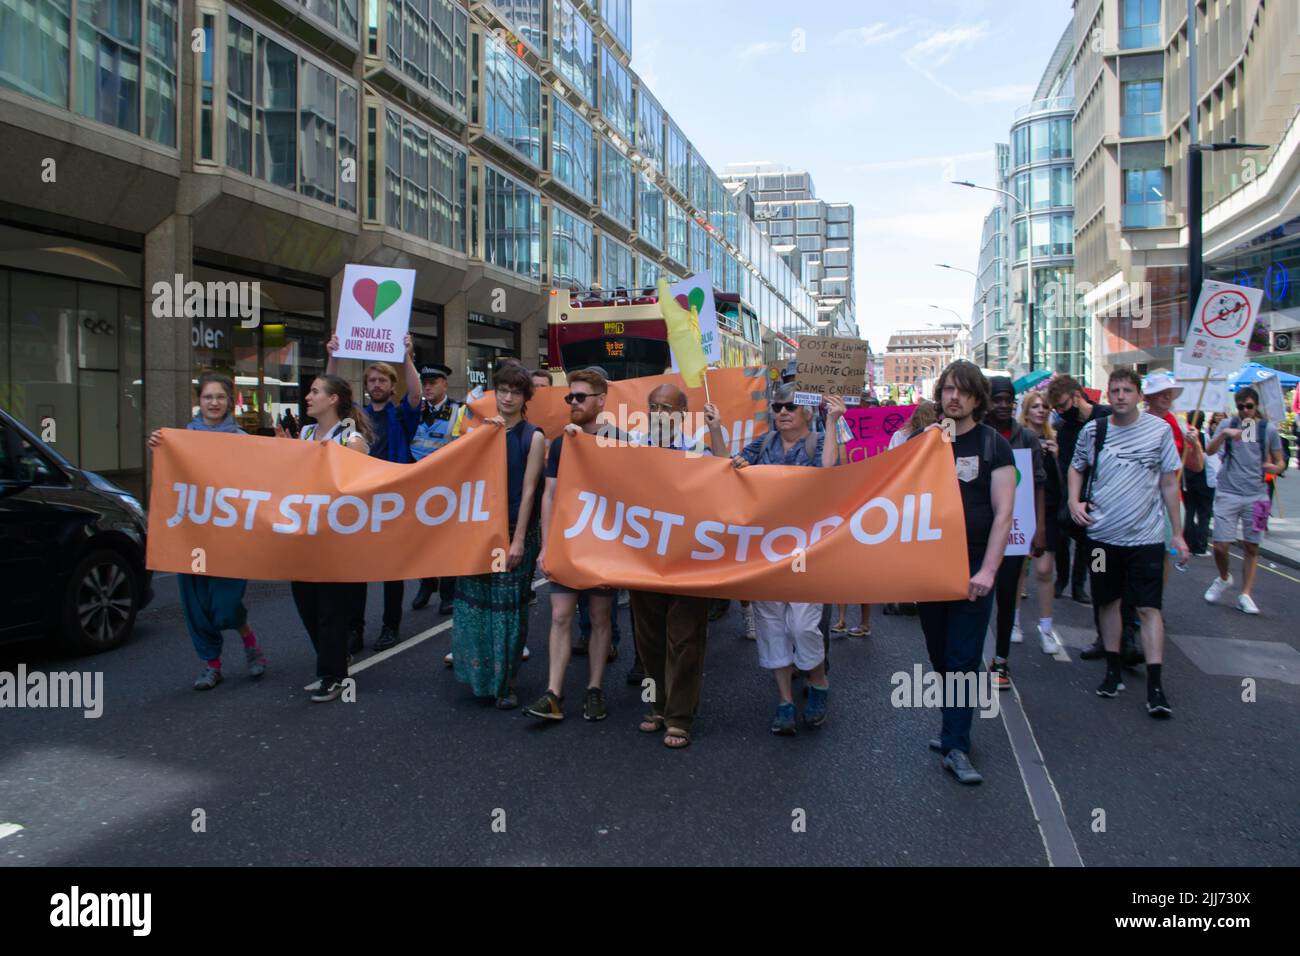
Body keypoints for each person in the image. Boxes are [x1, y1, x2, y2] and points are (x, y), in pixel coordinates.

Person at [914, 361, 1014, 785]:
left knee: (963, 658)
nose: (954, 397)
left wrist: (989, 570)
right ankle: (952, 726)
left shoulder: (994, 446)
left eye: (963, 391)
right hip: (930, 566)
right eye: (948, 390)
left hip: (973, 566)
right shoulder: (926, 443)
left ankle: (957, 744)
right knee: (939, 654)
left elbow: (1004, 514)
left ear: (977, 398)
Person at [1068, 368, 1186, 718]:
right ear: (1108, 394)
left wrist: (1177, 533)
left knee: (1149, 608)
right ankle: (1113, 671)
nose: (1120, 396)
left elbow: (1169, 484)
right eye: (1115, 390)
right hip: (1102, 539)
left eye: (1127, 390)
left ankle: (1155, 686)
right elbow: (1076, 467)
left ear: (1138, 395)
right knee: (1107, 602)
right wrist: (1074, 502)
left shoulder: (1160, 431)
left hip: (1146, 538)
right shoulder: (1095, 431)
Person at [732, 384, 844, 735]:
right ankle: (784, 701)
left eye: (791, 407)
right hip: (766, 550)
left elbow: (830, 474)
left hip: (807, 551)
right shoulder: (764, 444)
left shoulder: (818, 441)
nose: (782, 412)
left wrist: (836, 421)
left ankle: (819, 684)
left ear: (807, 412)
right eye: (778, 407)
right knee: (771, 626)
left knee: (803, 625)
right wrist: (727, 446)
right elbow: (726, 470)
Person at [148, 372, 265, 690]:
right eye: (207, 397)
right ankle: (211, 665)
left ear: (230, 402)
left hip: (229, 538)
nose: (214, 403)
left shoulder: (243, 441)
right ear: (198, 401)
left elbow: (259, 483)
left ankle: (249, 640)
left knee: (225, 607)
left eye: (220, 397)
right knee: (196, 605)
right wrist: (158, 447)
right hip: (191, 537)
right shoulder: (178, 439)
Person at [630, 384, 726, 749]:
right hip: (644, 558)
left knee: (685, 639)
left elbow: (724, 476)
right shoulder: (631, 448)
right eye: (654, 406)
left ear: (683, 414)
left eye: (668, 408)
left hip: (689, 559)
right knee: (649, 638)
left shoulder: (698, 449)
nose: (660, 413)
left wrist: (716, 429)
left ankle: (680, 716)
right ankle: (656, 707)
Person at [526, 369, 623, 722]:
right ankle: (553, 693)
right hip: (568, 542)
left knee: (599, 618)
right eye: (570, 397)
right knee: (560, 615)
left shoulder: (620, 439)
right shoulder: (561, 442)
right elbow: (549, 494)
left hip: (602, 546)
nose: (573, 403)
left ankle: (595, 688)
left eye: (580, 397)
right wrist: (546, 545)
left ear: (601, 400)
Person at [449, 365, 547, 708]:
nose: (507, 398)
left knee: (507, 609)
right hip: (478, 531)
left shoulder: (532, 436)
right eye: (502, 390)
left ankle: (504, 684)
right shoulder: (480, 431)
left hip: (512, 530)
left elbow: (529, 491)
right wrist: (477, 437)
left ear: (525, 397)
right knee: (474, 606)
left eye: (515, 392)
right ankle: (479, 677)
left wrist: (519, 540)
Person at [326, 333, 422, 652]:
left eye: (383, 379)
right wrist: (334, 356)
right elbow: (331, 395)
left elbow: (416, 395)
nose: (377, 384)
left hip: (391, 501)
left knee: (390, 570)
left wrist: (407, 356)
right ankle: (355, 628)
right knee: (357, 570)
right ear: (366, 386)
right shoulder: (354, 414)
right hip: (358, 501)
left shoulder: (401, 415)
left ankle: (390, 627)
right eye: (372, 379)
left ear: (392, 386)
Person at [284, 375, 372, 702]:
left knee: (330, 609)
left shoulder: (352, 439)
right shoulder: (305, 434)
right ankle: (335, 656)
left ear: (333, 399)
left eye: (315, 391)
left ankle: (332, 675)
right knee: (305, 602)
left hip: (336, 539)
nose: (308, 397)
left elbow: (355, 486)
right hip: (305, 535)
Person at [985, 377, 1053, 691]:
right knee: (973, 596)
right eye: (996, 399)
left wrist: (1037, 530)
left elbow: (1039, 484)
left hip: (1014, 530)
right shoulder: (974, 433)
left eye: (1006, 399)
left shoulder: (1027, 438)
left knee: (1007, 591)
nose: (1001, 405)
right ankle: (972, 657)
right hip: (976, 531)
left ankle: (1001, 660)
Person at [1203, 386, 1286, 614]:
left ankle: (1246, 593)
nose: (1245, 411)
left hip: (1258, 496)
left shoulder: (1267, 429)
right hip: (1228, 492)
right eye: (1240, 407)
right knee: (1220, 545)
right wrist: (1223, 435)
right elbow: (1209, 451)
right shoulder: (1226, 425)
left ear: (1256, 406)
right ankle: (1223, 578)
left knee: (1252, 546)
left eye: (1249, 406)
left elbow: (1281, 461)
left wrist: (1275, 467)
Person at [1046, 375, 1109, 604]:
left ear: (1076, 395)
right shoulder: (1065, 427)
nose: (1060, 411)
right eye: (1057, 408)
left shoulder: (1106, 417)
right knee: (1064, 539)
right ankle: (1063, 579)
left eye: (1062, 405)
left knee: (1093, 551)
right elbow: (1067, 466)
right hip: (1072, 497)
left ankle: (1083, 585)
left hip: (1103, 500)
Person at [409, 363, 465, 615]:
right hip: (418, 484)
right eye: (425, 382)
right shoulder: (413, 409)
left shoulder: (460, 411)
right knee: (421, 540)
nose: (428, 386)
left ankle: (447, 593)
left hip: (448, 484)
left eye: (433, 382)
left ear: (445, 383)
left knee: (447, 541)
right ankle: (427, 582)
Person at [1019, 391, 1065, 655]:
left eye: (1045, 407)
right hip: (1021, 509)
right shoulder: (1018, 437)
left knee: (1045, 570)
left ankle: (1046, 629)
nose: (1041, 410)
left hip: (1048, 511)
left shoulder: (1054, 437)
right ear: (1026, 411)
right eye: (1035, 406)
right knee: (1017, 571)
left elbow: (1065, 479)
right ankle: (1013, 622)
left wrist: (1056, 456)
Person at [1182, 411, 1214, 556]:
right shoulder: (1204, 437)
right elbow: (1209, 457)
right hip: (1203, 481)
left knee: (1189, 513)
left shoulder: (1183, 436)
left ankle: (1189, 542)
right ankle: (1200, 545)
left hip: (1187, 481)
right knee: (1203, 514)